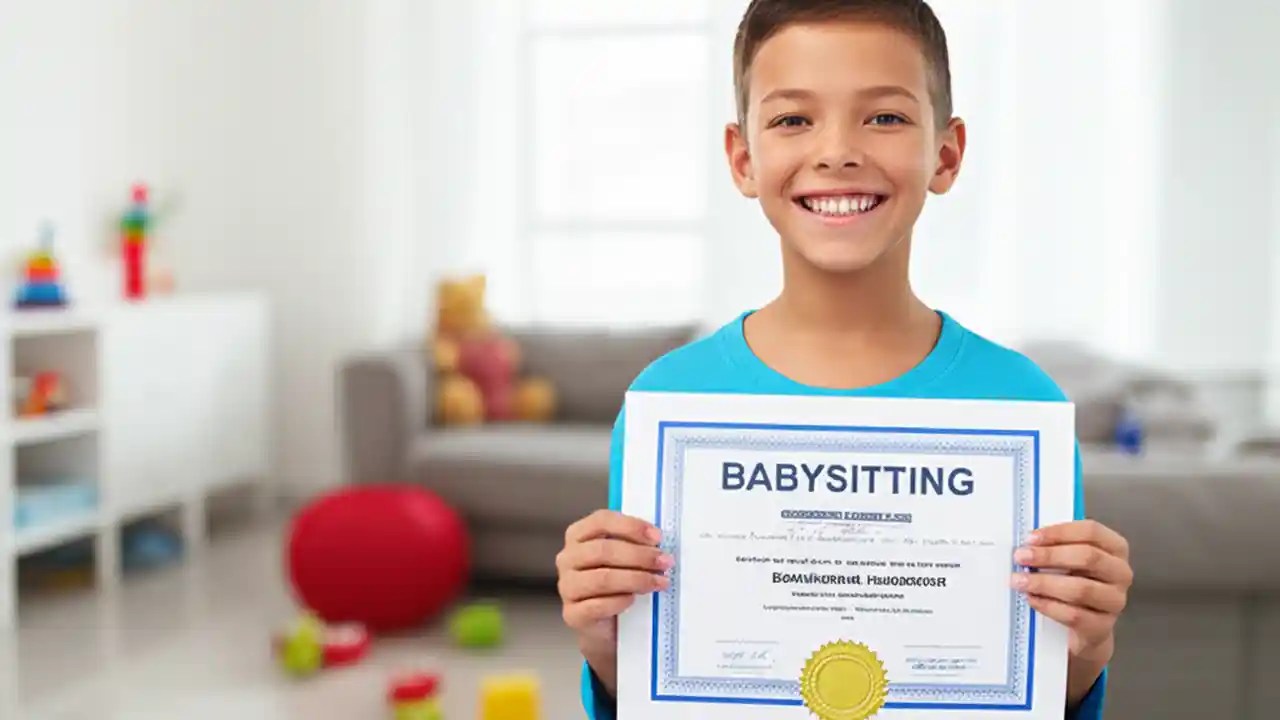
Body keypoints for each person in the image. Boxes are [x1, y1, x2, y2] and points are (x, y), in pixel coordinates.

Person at [555, 1, 1133, 718]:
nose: (837, 151)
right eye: (793, 119)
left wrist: (1083, 654)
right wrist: (609, 647)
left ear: (946, 155)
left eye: (884, 117)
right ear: (743, 158)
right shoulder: (666, 401)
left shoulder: (1023, 407)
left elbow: (1043, 679)